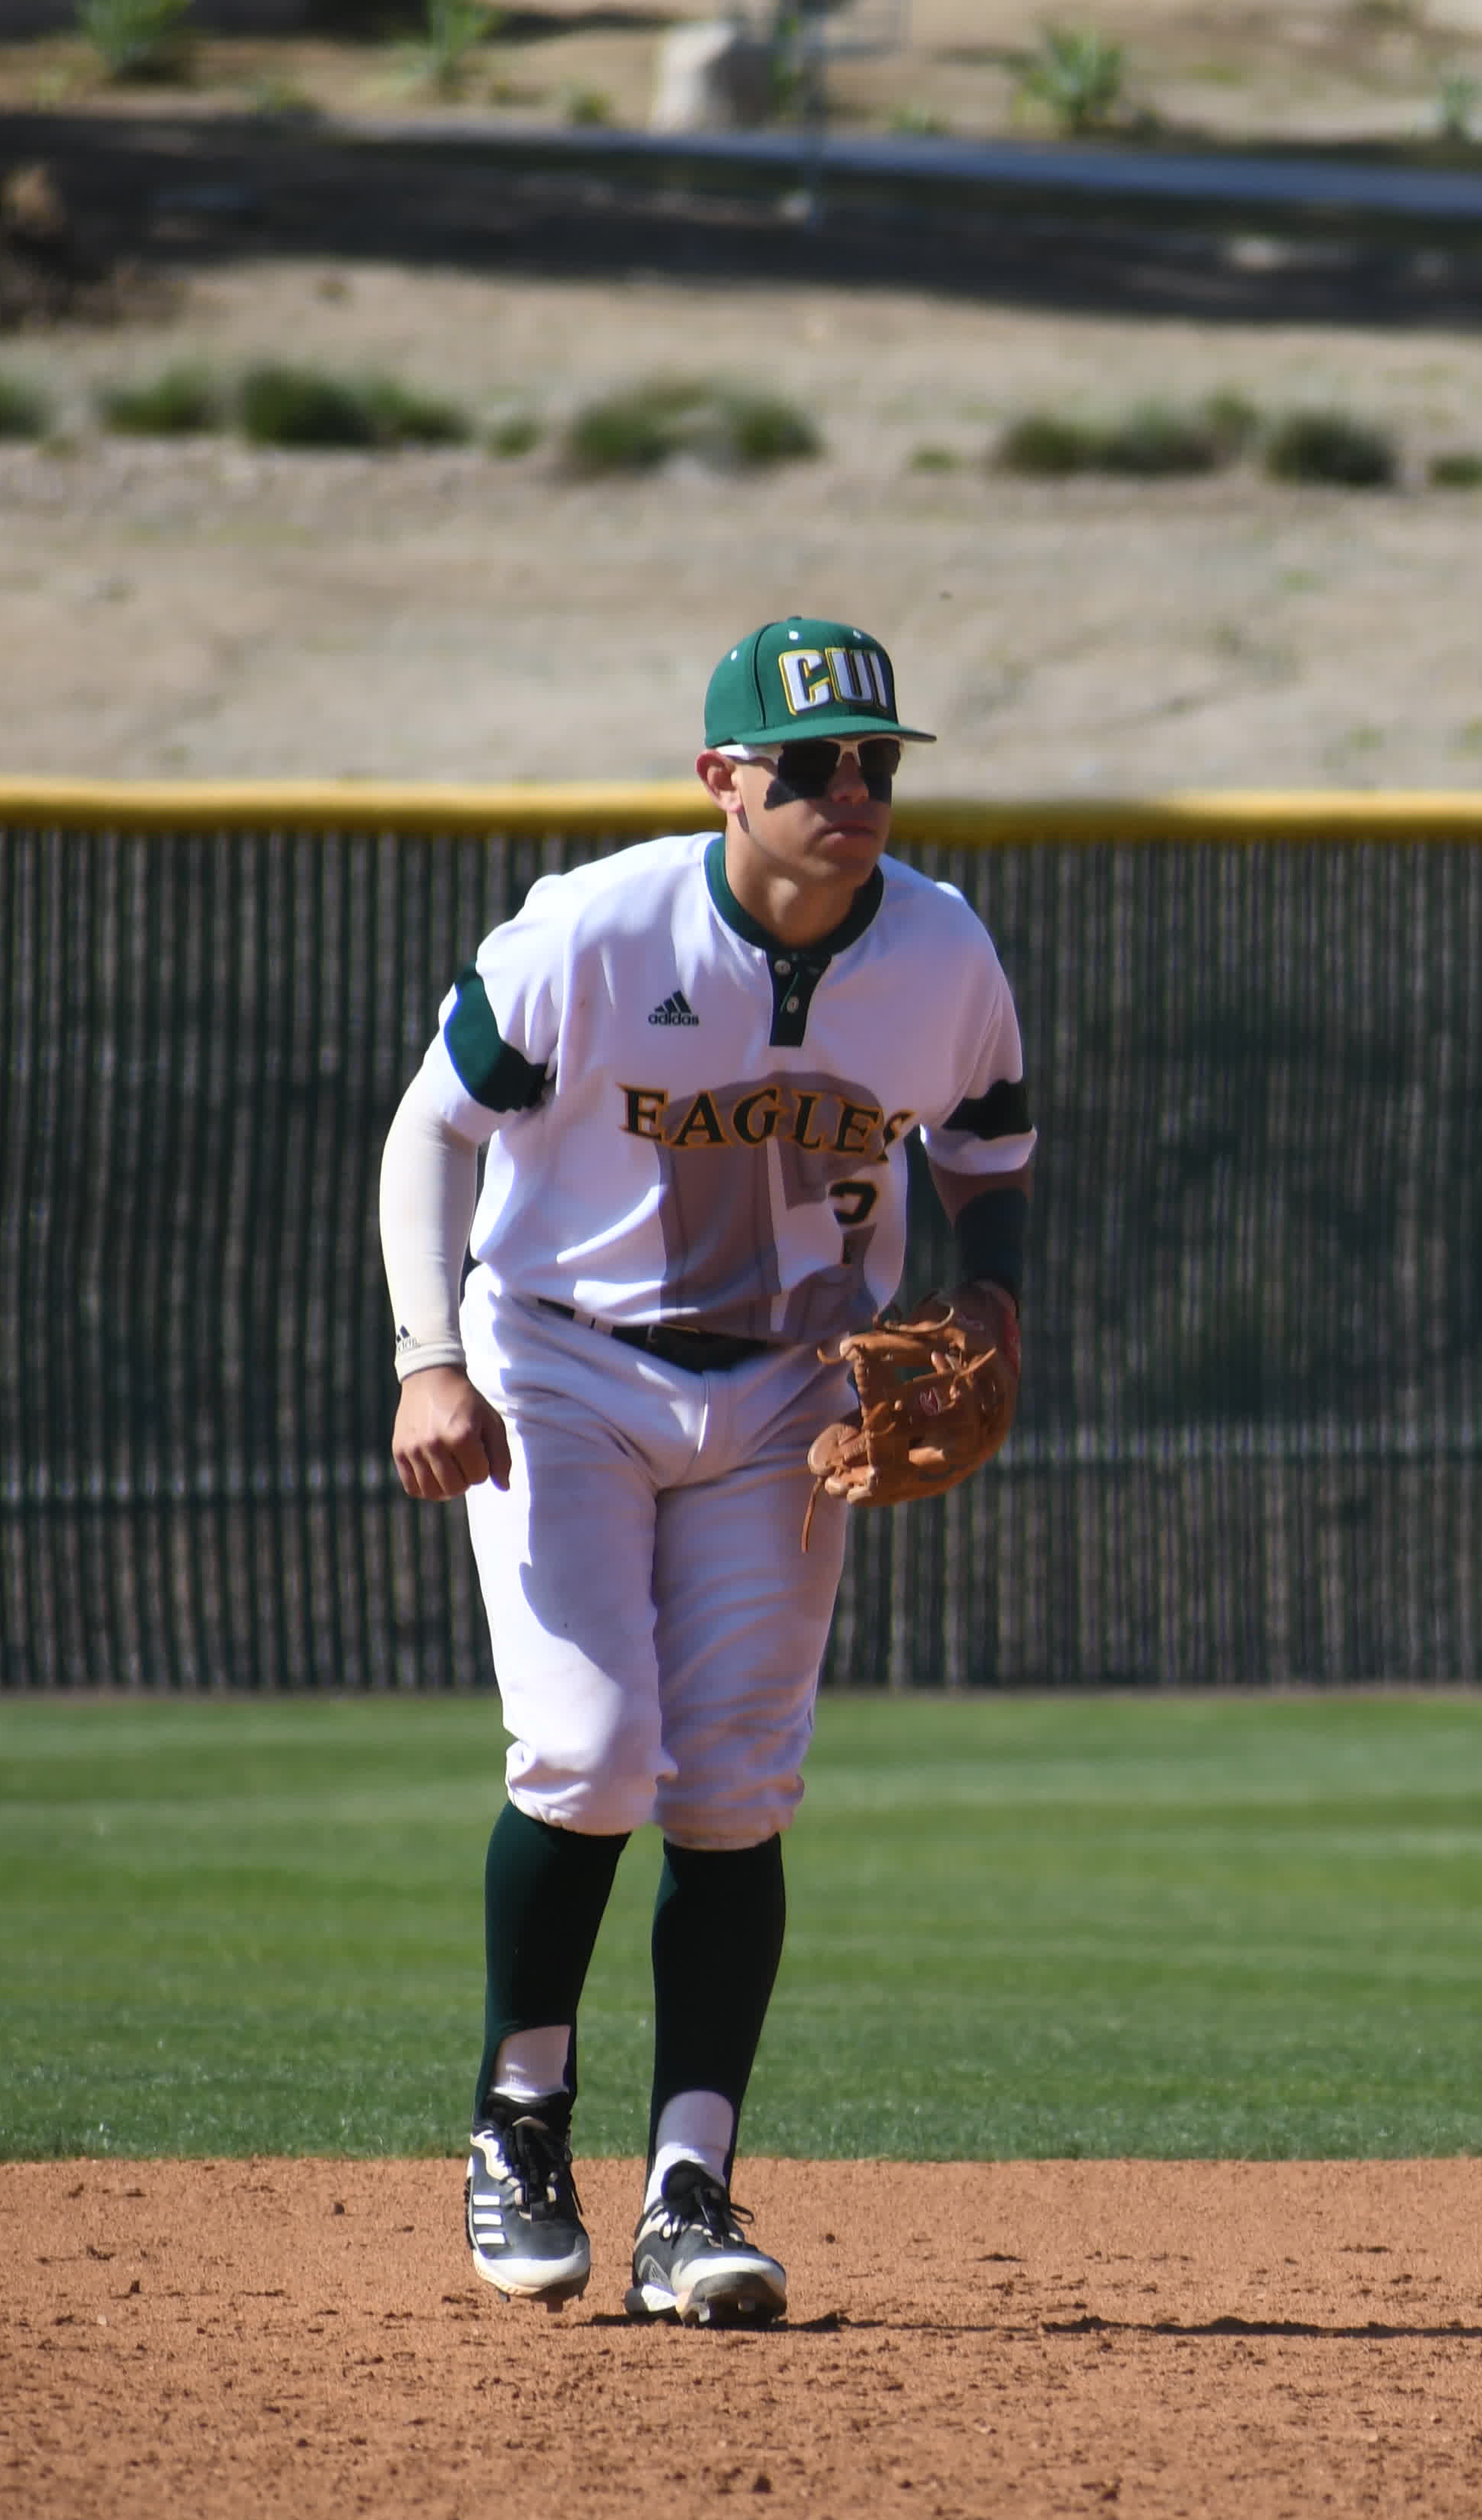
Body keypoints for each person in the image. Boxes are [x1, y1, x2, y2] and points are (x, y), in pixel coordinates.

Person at [378, 618, 1034, 2326]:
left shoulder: (944, 953)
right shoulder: (599, 930)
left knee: (733, 1788)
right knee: (590, 1753)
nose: (852, 790)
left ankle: (690, 2188)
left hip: (789, 1396)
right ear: (722, 779)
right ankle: (520, 2120)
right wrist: (424, 1360)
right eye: (813, 764)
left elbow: (992, 1146)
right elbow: (429, 1127)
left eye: (877, 762)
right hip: (564, 1365)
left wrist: (991, 1299)